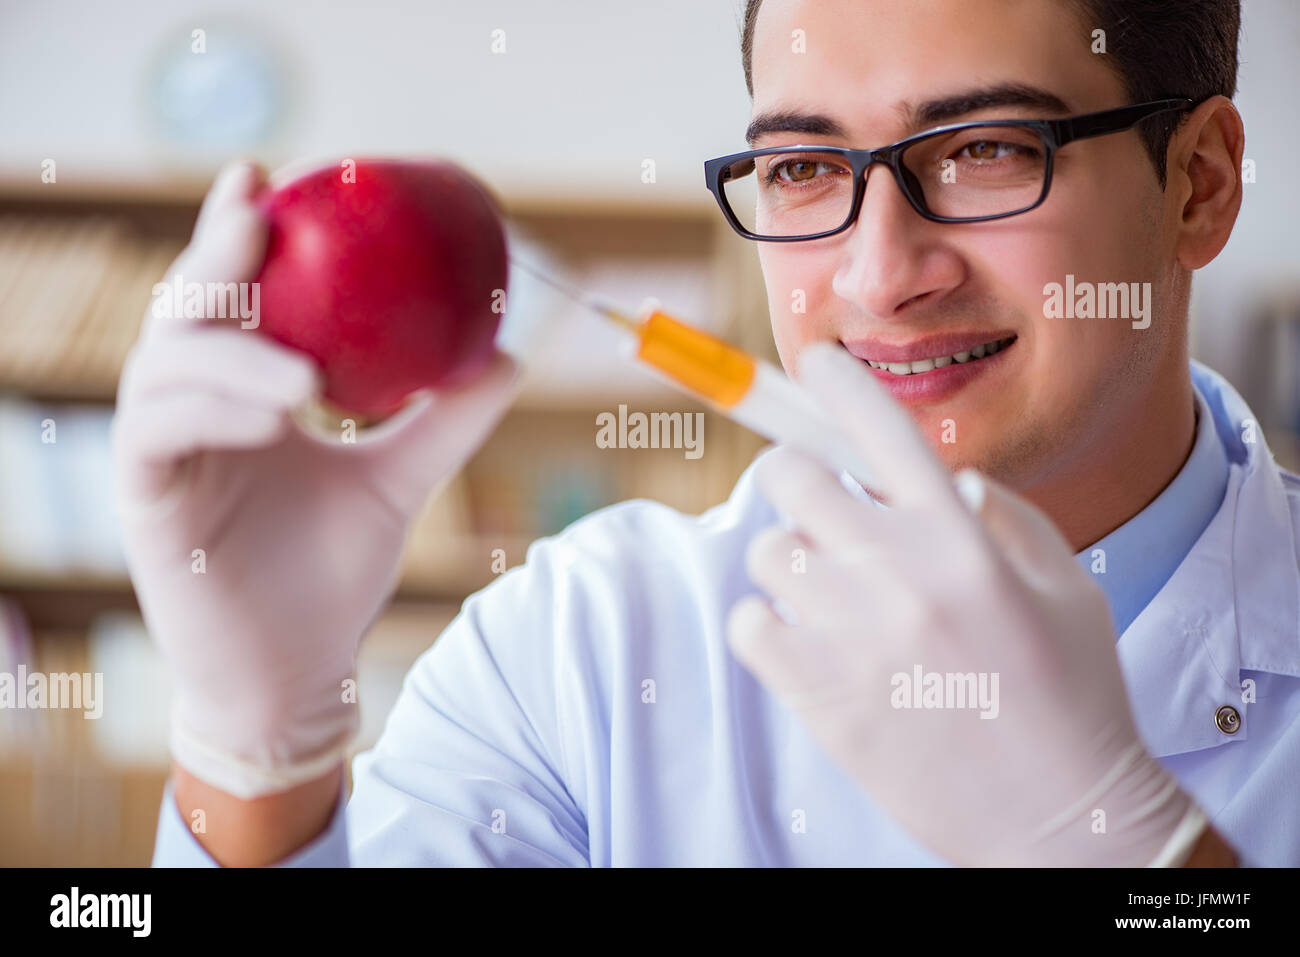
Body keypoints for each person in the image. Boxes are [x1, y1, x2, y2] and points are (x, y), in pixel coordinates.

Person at [129, 0, 1293, 867]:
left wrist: (1138, 859)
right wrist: (255, 758)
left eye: (985, 149)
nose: (878, 276)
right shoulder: (579, 652)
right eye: (799, 168)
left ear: (1197, 184)